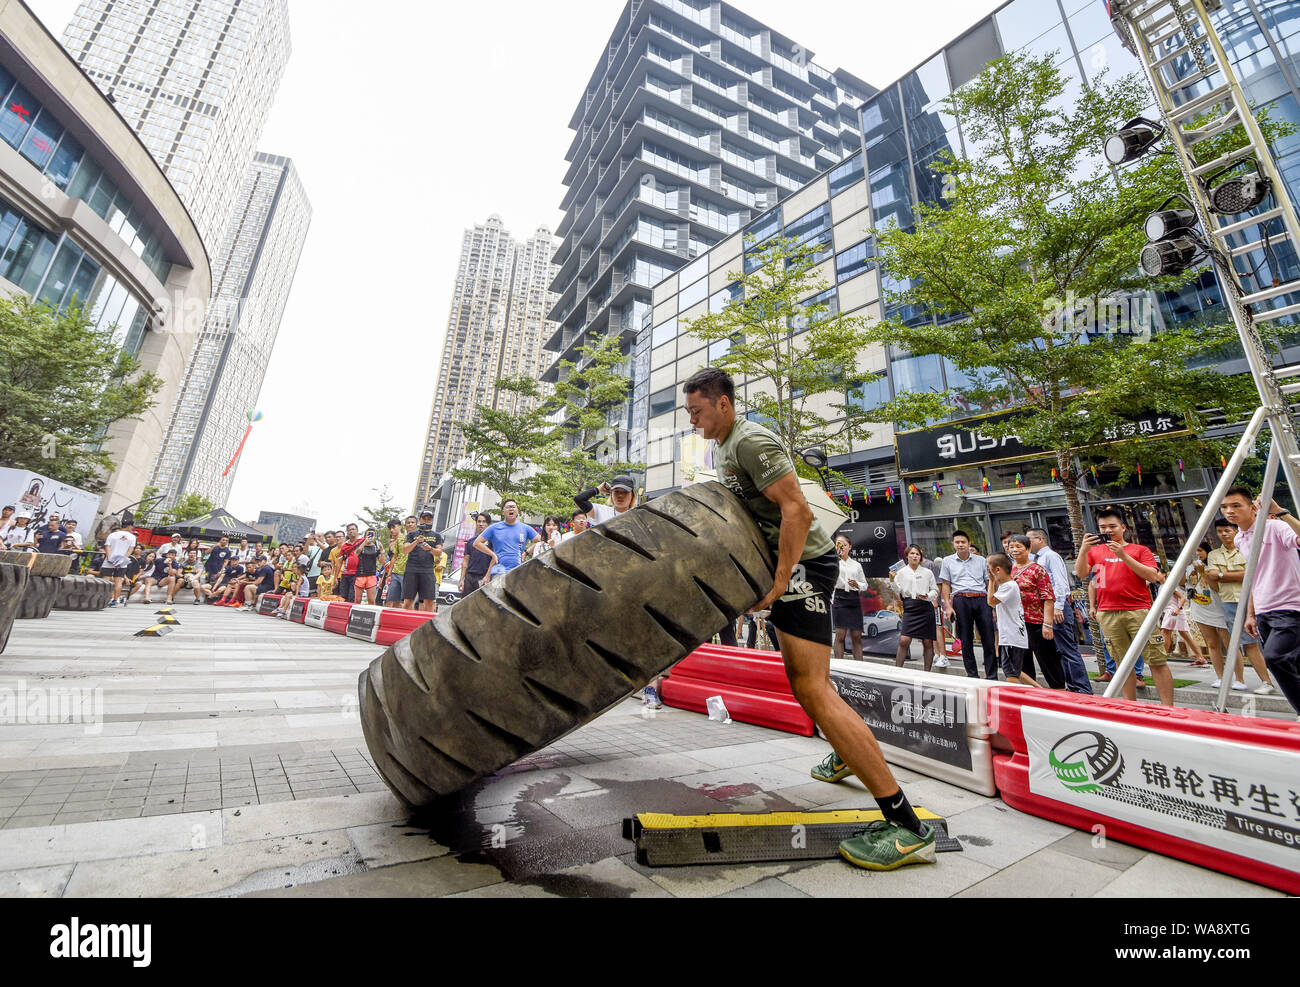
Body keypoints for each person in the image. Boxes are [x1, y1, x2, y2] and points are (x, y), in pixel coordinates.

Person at [684, 367, 934, 870]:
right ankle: (846, 751)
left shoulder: (752, 441)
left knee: (811, 688)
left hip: (803, 567)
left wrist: (779, 582)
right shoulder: (723, 444)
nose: (692, 421)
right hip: (787, 566)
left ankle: (906, 825)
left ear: (724, 404)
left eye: (697, 411)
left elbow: (797, 511)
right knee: (811, 684)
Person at [1076, 508, 1172, 705]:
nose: (1108, 530)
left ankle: (1169, 708)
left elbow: (1153, 576)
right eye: (1103, 527)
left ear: (1123, 527)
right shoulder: (1095, 551)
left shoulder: (1139, 550)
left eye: (1112, 526)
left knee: (1156, 660)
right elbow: (1083, 574)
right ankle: (1130, 706)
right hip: (1108, 612)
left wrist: (1123, 555)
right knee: (1122, 663)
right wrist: (1083, 550)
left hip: (1138, 610)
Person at [1221, 486, 1300, 714]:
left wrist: (1281, 512)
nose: (1230, 511)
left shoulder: (1274, 526)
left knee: (1276, 658)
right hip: (1264, 610)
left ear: (1252, 507)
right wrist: (1250, 613)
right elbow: (1256, 575)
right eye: (1225, 507)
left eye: (1236, 505)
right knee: (1294, 663)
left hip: (1290, 607)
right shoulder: (1239, 539)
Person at [1205, 517, 1276, 692]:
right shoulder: (1214, 555)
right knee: (1249, 642)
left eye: (1227, 530)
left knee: (1273, 640)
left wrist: (1222, 575)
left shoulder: (1246, 548)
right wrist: (1236, 574)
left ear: (1236, 530)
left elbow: (1252, 573)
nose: (1223, 534)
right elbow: (1213, 578)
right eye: (1220, 531)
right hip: (1230, 602)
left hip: (1258, 599)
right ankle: (1267, 681)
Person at [1006, 534, 1063, 688]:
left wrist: (1048, 624)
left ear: (1028, 548)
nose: (1015, 550)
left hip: (1036, 622)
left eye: (1019, 546)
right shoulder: (1008, 570)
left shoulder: (1037, 570)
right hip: (1017, 623)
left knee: (1048, 660)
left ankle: (1059, 691)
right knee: (1022, 662)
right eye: (1011, 547)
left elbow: (1048, 597)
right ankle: (1031, 693)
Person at [939, 530, 997, 679]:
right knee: (966, 639)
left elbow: (988, 582)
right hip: (960, 599)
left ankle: (991, 676)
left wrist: (993, 606)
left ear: (969, 543)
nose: (960, 545)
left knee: (988, 638)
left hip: (981, 598)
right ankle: (972, 675)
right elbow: (946, 584)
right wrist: (948, 606)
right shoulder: (947, 561)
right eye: (957, 542)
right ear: (953, 544)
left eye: (963, 542)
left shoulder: (981, 560)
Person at [987, 553, 1039, 687]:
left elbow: (991, 601)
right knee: (1016, 670)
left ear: (997, 570)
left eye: (988, 568)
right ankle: (1042, 691)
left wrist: (991, 581)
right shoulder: (1008, 586)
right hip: (1012, 635)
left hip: (1011, 636)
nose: (987, 571)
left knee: (1011, 673)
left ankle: (1014, 701)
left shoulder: (1009, 586)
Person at [474, 500, 542, 586]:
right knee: (499, 598)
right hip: (499, 572)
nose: (511, 509)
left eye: (513, 507)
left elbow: (541, 541)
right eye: (508, 507)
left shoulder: (525, 528)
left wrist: (526, 552)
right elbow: (476, 543)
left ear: (517, 511)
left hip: (517, 572)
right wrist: (493, 554)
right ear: (503, 511)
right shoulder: (494, 528)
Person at [894, 545, 939, 671]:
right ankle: (897, 671)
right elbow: (897, 590)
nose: (915, 556)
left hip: (925, 607)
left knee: (927, 642)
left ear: (921, 557)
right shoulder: (901, 573)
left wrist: (928, 596)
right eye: (912, 554)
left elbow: (935, 590)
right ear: (907, 556)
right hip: (910, 607)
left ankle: (927, 672)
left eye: (917, 554)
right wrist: (892, 580)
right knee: (904, 640)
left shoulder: (927, 572)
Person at [832, 535, 866, 662]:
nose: (841, 547)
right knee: (840, 634)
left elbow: (865, 584)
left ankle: (859, 668)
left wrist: (857, 584)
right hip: (840, 598)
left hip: (854, 599)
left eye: (844, 544)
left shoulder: (856, 565)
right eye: (838, 545)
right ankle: (840, 667)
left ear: (850, 547)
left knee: (857, 635)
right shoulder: (833, 562)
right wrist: (835, 557)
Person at [403, 510, 442, 612]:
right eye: (424, 518)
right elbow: (405, 550)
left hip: (428, 570)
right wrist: (416, 541)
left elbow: (439, 552)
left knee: (429, 601)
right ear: (420, 519)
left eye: (429, 519)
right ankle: (406, 624)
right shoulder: (412, 534)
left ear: (432, 520)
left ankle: (428, 626)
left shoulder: (436, 535)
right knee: (408, 602)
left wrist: (429, 548)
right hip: (411, 569)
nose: (426, 520)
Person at [1159, 586, 1203, 664]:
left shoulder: (1170, 586)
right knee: (1184, 634)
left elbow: (1183, 598)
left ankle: (1162, 658)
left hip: (1173, 612)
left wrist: (1178, 609)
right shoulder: (1161, 587)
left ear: (1163, 574)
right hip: (1172, 612)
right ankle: (1200, 657)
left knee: (1165, 633)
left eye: (1158, 572)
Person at [102, 520, 137, 607]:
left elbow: (107, 546)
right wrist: (123, 559)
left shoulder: (112, 534)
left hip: (109, 560)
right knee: (118, 581)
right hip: (122, 562)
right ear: (129, 526)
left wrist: (110, 558)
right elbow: (131, 549)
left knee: (106, 580)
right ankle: (114, 601)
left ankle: (103, 599)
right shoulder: (132, 537)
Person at [458, 513, 493, 597]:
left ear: (488, 524)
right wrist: (462, 579)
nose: (481, 524)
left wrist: (487, 576)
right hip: (469, 578)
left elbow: (494, 560)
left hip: (484, 578)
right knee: (466, 605)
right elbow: (465, 561)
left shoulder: (493, 542)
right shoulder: (470, 541)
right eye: (479, 521)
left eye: (484, 522)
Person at [353, 528, 386, 605]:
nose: (370, 536)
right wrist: (364, 542)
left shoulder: (375, 547)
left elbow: (382, 561)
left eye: (372, 535)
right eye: (368, 534)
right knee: (358, 599)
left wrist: (382, 550)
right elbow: (356, 553)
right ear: (365, 536)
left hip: (371, 575)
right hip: (360, 574)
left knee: (371, 600)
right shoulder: (360, 545)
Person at [201, 537, 235, 604]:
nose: (224, 541)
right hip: (208, 568)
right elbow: (206, 553)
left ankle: (210, 598)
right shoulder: (215, 547)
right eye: (223, 540)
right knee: (205, 582)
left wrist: (221, 570)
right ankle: (206, 597)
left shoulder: (227, 551)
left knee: (213, 583)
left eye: (226, 540)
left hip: (217, 570)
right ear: (220, 540)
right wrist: (214, 546)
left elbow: (226, 561)